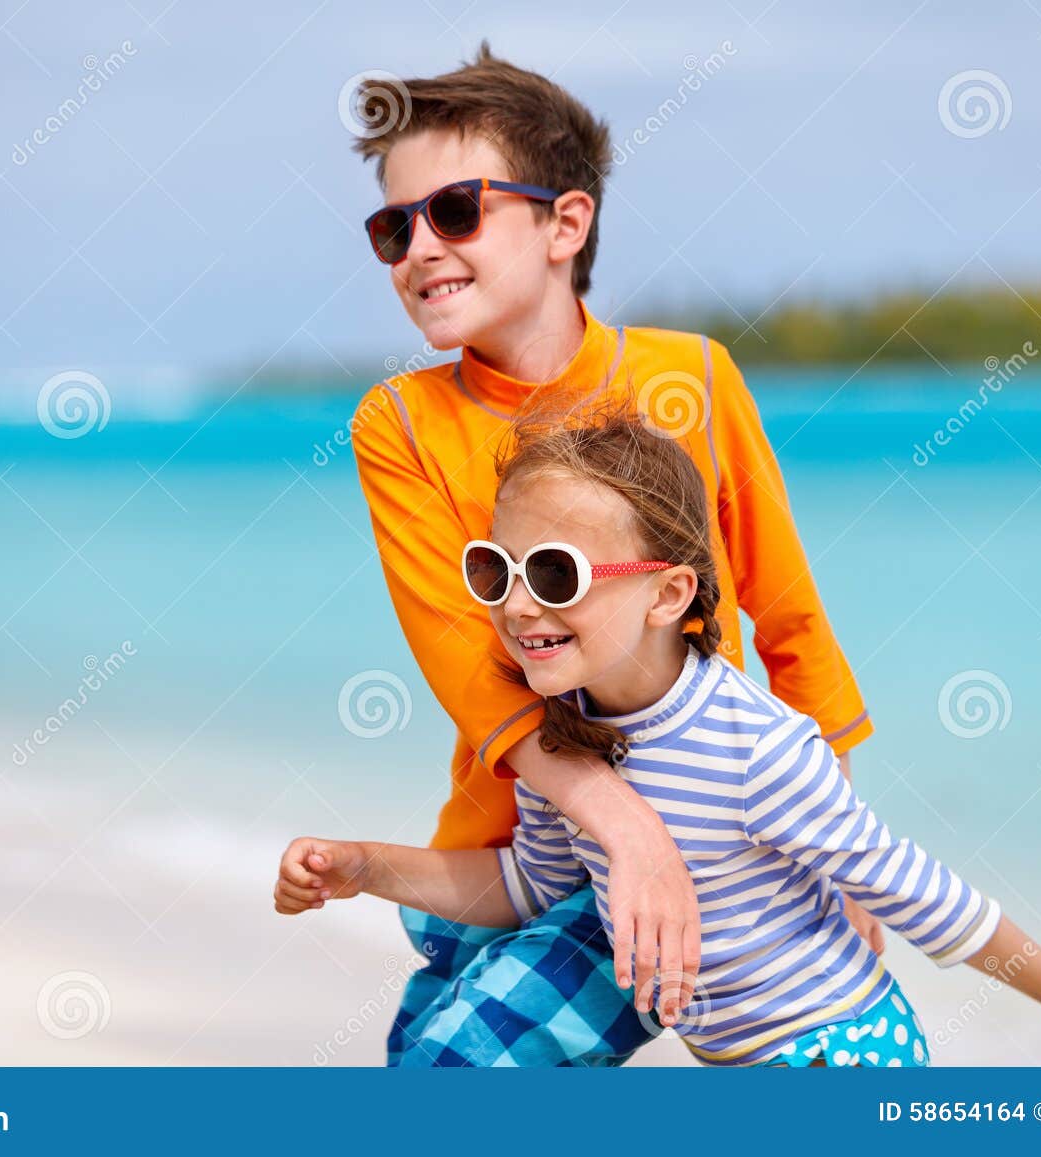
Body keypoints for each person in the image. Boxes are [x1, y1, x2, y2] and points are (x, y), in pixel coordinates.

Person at [279, 398, 1041, 1066]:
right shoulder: (565, 736)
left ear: (669, 592)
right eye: (497, 568)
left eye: (555, 574)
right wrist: (366, 867)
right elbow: (525, 888)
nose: (516, 606)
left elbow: (929, 901)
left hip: (842, 1056)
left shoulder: (758, 748)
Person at [345, 42, 878, 1068]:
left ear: (565, 221)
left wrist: (838, 868)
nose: (419, 246)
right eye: (392, 226)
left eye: (454, 211)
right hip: (506, 849)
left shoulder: (694, 380)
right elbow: (464, 661)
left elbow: (791, 620)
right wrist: (610, 817)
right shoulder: (401, 423)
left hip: (703, 839)